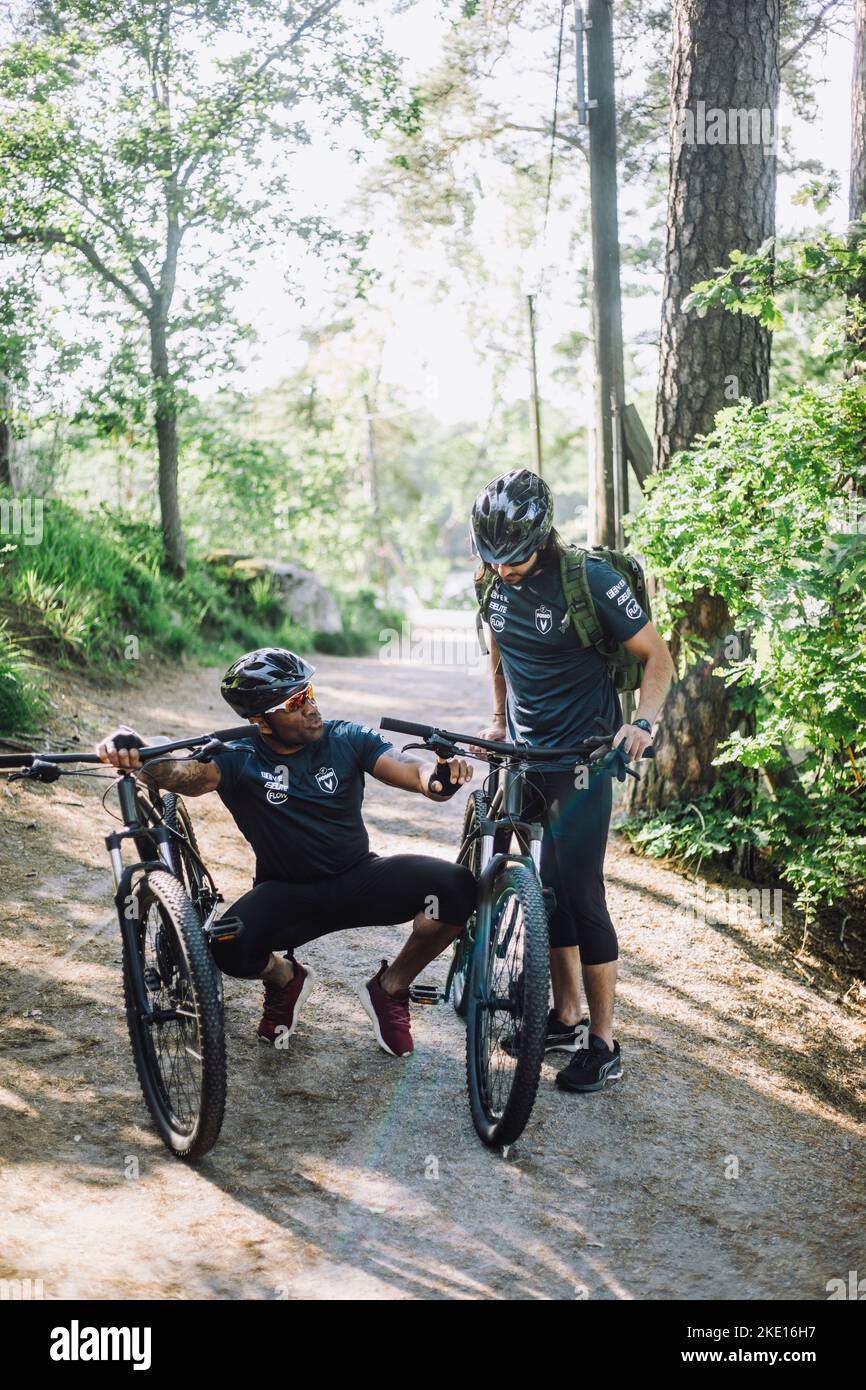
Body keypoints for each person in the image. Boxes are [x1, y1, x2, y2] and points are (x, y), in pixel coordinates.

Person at [96, 648, 476, 1058]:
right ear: (261, 721)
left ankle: (391, 988)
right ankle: (285, 980)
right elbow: (180, 770)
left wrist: (438, 779)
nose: (311, 708)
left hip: (360, 879)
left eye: (309, 693)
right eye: (295, 703)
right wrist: (136, 751)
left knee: (455, 886)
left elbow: (412, 769)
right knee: (227, 947)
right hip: (288, 894)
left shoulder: (345, 737)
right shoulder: (239, 757)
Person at [470, 468, 674, 1092]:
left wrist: (641, 724)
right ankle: (563, 1015)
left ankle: (604, 1042)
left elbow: (658, 658)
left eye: (516, 558)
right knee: (546, 888)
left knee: (582, 895)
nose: (504, 570)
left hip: (584, 760)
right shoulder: (491, 576)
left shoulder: (591, 579)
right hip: (527, 757)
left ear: (542, 535)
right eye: (494, 559)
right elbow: (497, 642)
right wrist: (501, 718)